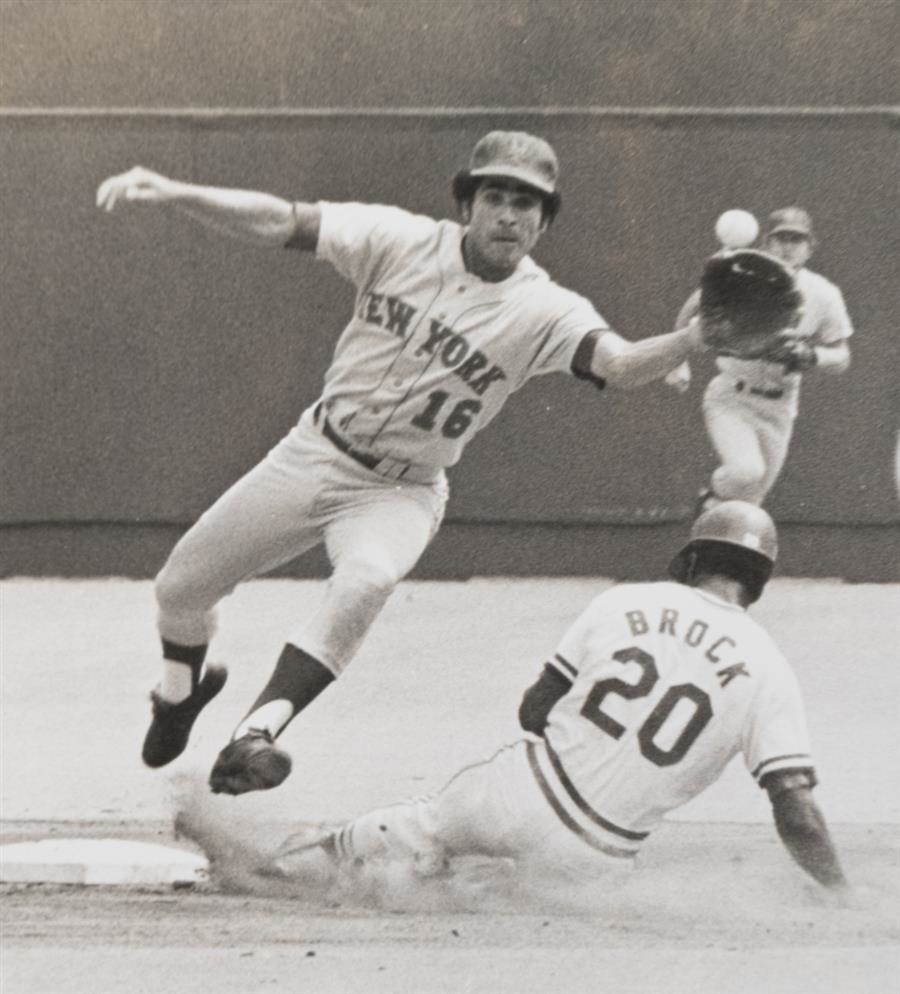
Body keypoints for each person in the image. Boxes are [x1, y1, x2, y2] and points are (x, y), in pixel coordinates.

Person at [95, 131, 706, 796]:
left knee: (368, 578)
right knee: (179, 592)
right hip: (315, 451)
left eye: (528, 204)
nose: (510, 215)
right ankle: (180, 693)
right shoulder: (398, 238)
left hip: (400, 491)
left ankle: (255, 735)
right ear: (467, 205)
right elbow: (282, 219)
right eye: (496, 196)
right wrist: (178, 191)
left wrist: (693, 339)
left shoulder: (547, 309)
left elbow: (619, 363)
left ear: (543, 221)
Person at [265, 501, 852, 905]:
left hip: (517, 794)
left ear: (692, 560)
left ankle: (284, 867)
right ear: (760, 581)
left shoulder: (625, 603)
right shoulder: (770, 669)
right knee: (501, 899)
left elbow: (532, 710)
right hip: (597, 857)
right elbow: (795, 810)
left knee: (418, 829)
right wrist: (838, 891)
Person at [665, 207, 853, 511]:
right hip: (732, 397)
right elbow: (689, 311)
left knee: (750, 504)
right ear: (766, 242)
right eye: (781, 238)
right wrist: (678, 361)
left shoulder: (824, 293)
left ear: (810, 247)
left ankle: (714, 530)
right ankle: (711, 499)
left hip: (781, 407)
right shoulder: (744, 276)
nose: (788, 246)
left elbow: (842, 356)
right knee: (746, 472)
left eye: (797, 239)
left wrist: (811, 355)